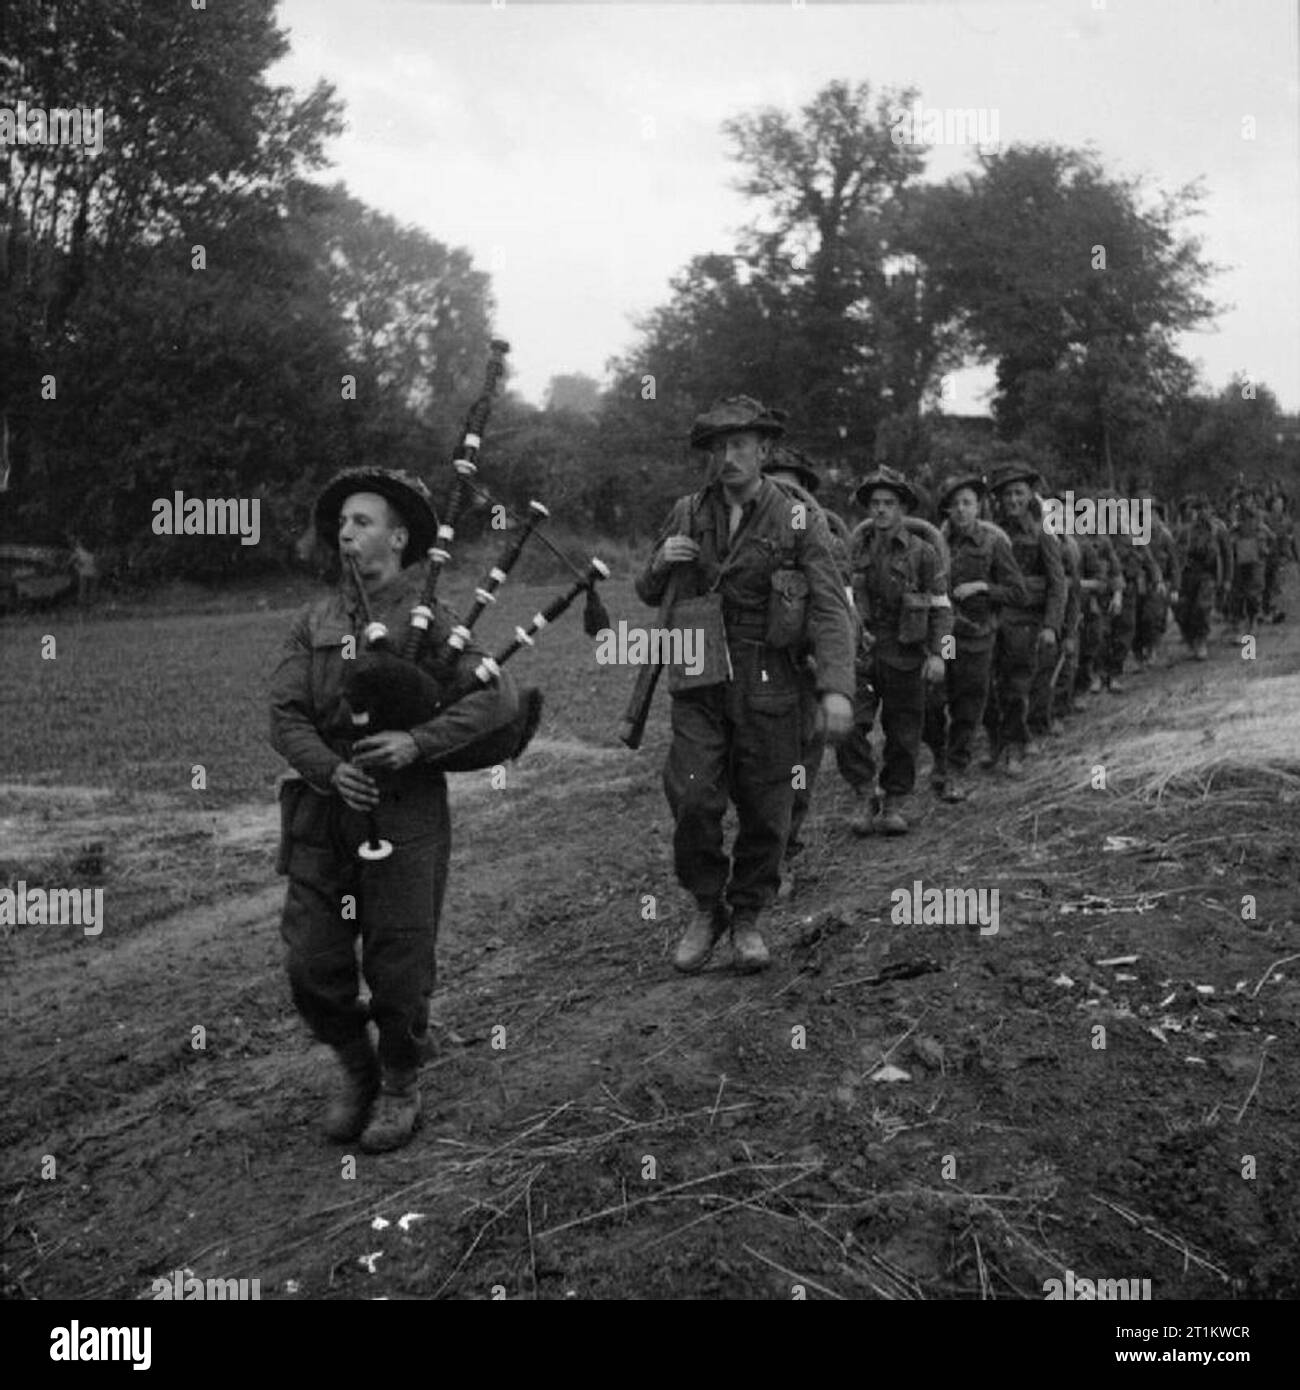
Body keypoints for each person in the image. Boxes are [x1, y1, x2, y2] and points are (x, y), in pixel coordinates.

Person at [270, 468, 520, 1152]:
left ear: (399, 537)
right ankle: (357, 1067)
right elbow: (285, 715)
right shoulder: (315, 619)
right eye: (343, 523)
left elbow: (497, 699)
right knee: (311, 963)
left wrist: (417, 741)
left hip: (405, 810)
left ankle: (401, 1081)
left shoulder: (429, 619)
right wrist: (330, 769)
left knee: (399, 966)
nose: (347, 533)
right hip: (326, 812)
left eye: (363, 521)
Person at [635, 397, 855, 973]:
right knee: (692, 795)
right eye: (718, 448)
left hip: (772, 678)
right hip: (700, 673)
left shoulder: (797, 517)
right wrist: (662, 562)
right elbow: (645, 589)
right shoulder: (686, 512)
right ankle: (707, 906)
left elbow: (830, 607)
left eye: (740, 446)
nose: (728, 458)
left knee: (767, 806)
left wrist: (836, 688)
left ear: (763, 451)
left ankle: (749, 914)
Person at [836, 465, 951, 835]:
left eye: (888, 503)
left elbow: (942, 608)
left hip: (906, 654)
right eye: (874, 503)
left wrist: (939, 655)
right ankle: (863, 793)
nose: (880, 510)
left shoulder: (923, 553)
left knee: (903, 735)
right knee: (848, 725)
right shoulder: (855, 551)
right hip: (863, 653)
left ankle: (894, 803)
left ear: (902, 508)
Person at [761, 444, 852, 901]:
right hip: (751, 675)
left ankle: (783, 856)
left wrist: (831, 678)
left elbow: (838, 611)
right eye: (772, 481)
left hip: (804, 673)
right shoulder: (742, 535)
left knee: (798, 769)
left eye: (791, 484)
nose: (782, 492)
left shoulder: (828, 543)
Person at [924, 473, 1027, 802]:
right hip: (945, 637)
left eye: (967, 503)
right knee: (933, 701)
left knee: (968, 705)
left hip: (977, 636)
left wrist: (982, 587)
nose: (961, 510)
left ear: (978, 506)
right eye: (954, 505)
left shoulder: (993, 543)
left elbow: (1017, 592)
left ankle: (955, 769)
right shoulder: (933, 543)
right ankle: (940, 759)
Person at [983, 461, 1066, 777]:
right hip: (993, 618)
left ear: (1031, 494)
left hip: (1027, 621)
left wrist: (1051, 626)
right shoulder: (991, 532)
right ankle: (998, 740)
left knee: (1017, 686)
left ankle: (1015, 748)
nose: (1013, 500)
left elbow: (1058, 583)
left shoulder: (1043, 532)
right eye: (1006, 495)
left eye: (1019, 493)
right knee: (987, 687)